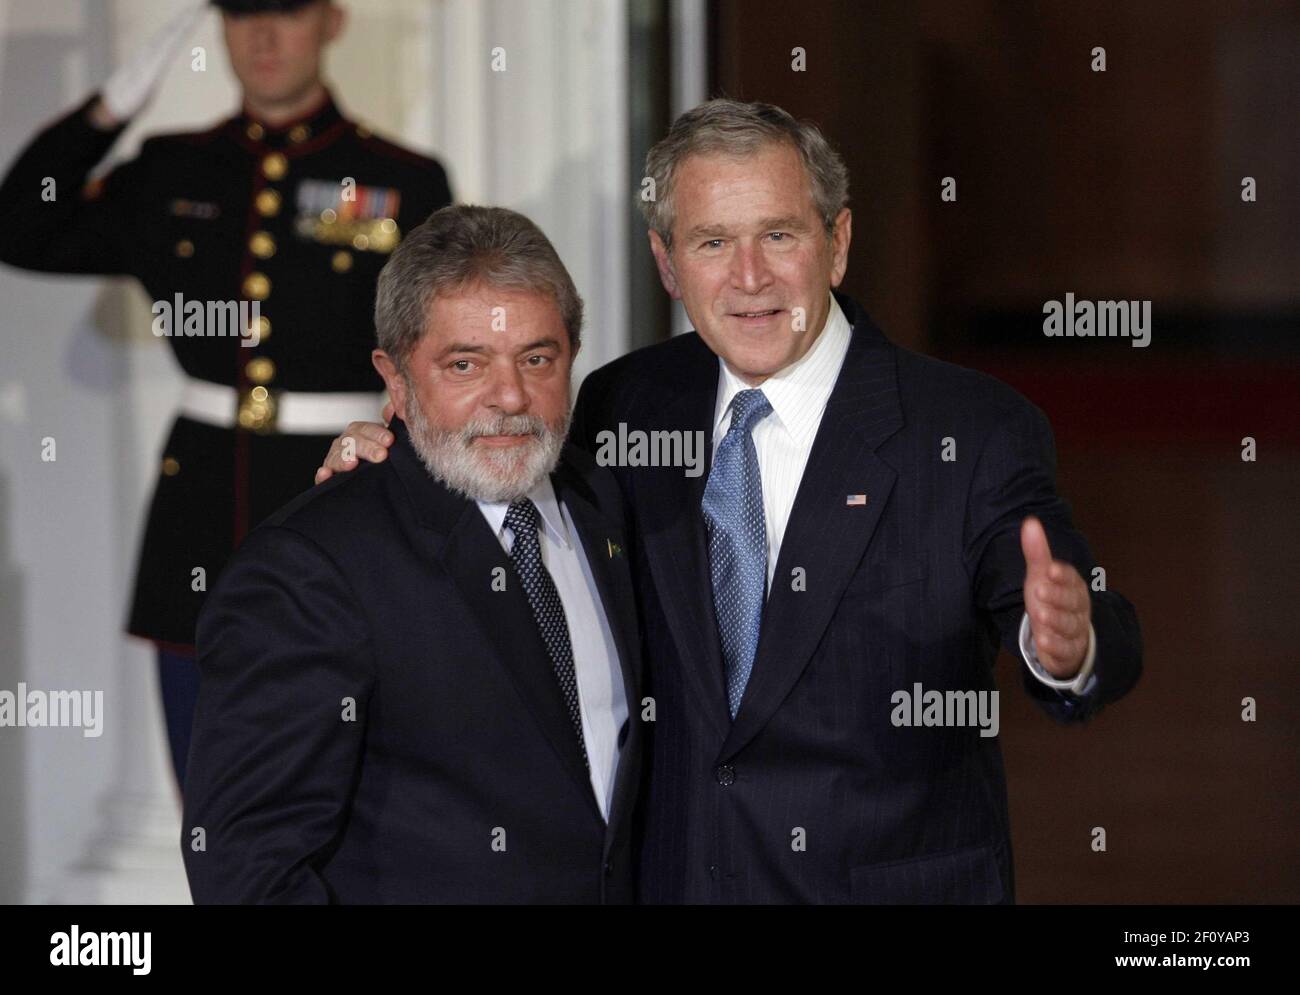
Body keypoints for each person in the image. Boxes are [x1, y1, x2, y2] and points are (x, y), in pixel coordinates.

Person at [317, 99, 1144, 904]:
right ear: (669, 263)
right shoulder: (621, 407)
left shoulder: (969, 429)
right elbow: (505, 511)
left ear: (838, 242)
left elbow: (1069, 612)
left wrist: (1065, 642)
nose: (749, 277)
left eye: (778, 235)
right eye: (713, 242)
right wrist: (394, 469)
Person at [0, 0, 453, 791]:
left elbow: (442, 354)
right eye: (243, 12)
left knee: (355, 795)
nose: (264, 36)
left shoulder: (402, 180)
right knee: (213, 799)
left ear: (332, 21)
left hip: (344, 501)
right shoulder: (173, 168)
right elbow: (18, 226)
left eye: (287, 10)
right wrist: (110, 109)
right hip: (201, 512)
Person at [182, 205, 642, 903]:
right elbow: (247, 870)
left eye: (537, 358)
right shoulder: (309, 570)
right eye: (465, 363)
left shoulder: (611, 505)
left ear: (573, 356)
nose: (511, 396)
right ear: (395, 380)